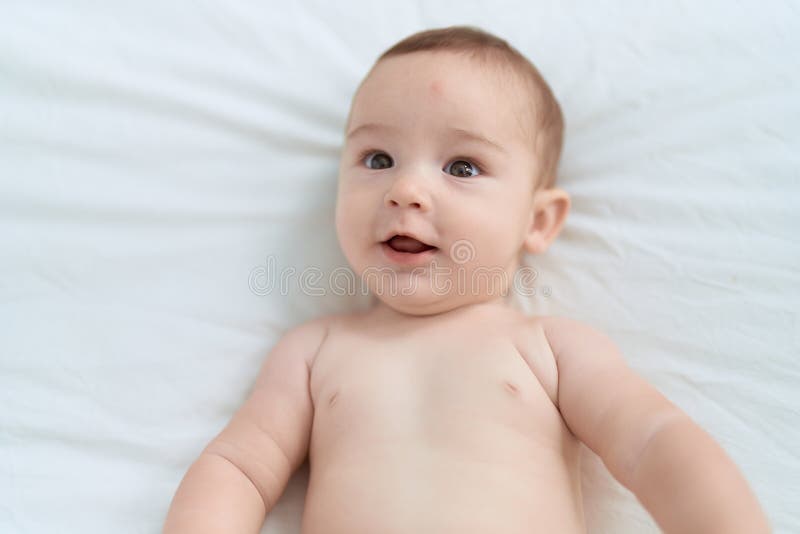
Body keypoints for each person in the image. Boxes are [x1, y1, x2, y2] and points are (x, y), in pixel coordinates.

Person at [163, 25, 770, 533]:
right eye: (378, 159)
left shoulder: (549, 349)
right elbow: (239, 469)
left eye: (462, 166)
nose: (405, 190)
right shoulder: (312, 352)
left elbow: (653, 443)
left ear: (537, 220)